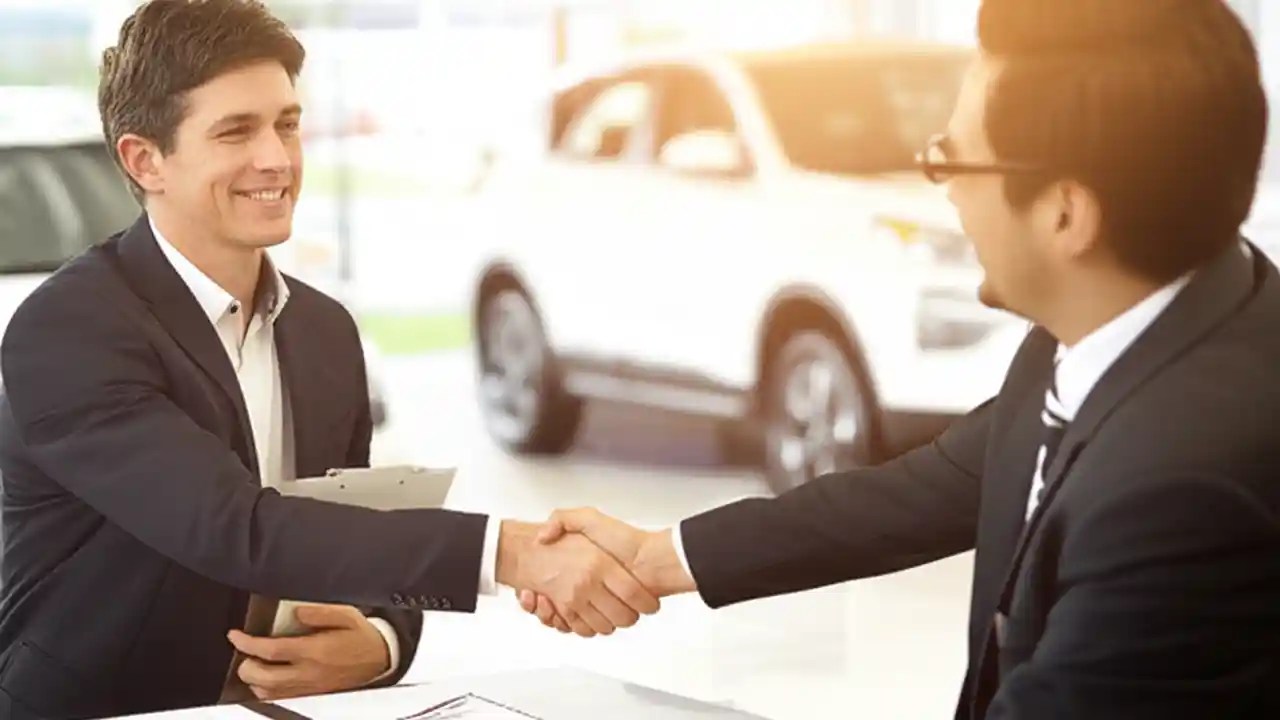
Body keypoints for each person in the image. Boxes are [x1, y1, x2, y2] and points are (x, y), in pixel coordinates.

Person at [520, 0, 1280, 717]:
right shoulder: (1146, 311)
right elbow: (928, 489)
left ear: (1066, 215)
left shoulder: (1183, 492)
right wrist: (658, 557)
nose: (941, 191)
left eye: (952, 161)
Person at [0, 2, 656, 718]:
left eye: (286, 123)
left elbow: (358, 525)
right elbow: (234, 526)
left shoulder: (324, 330)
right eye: (235, 132)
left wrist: (379, 640)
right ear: (144, 159)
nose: (277, 159)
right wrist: (510, 553)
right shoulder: (70, 329)